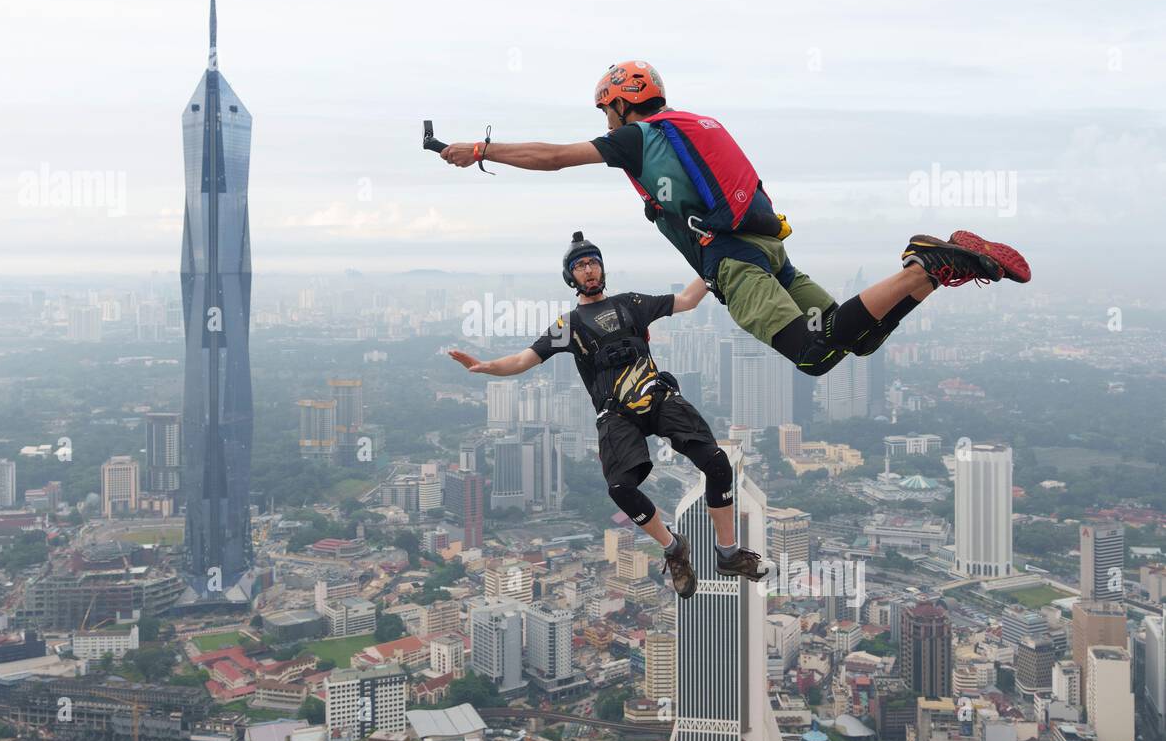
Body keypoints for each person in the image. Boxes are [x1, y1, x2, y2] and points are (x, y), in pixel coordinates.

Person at [440, 61, 1031, 376]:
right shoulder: (695, 125)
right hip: (771, 248)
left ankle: (921, 265)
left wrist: (481, 150)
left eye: (607, 110)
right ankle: (929, 270)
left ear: (620, 102)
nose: (608, 120)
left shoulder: (637, 140)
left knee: (815, 352)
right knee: (861, 340)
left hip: (739, 260)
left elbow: (554, 158)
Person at [447, 231, 770, 599]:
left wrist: (717, 257)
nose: (589, 269)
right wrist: (485, 366)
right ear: (571, 277)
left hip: (658, 397)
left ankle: (727, 555)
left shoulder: (630, 303)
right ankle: (673, 548)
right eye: (580, 265)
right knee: (620, 488)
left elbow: (686, 300)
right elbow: (524, 359)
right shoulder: (568, 325)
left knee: (716, 463)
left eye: (593, 262)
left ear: (602, 268)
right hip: (617, 415)